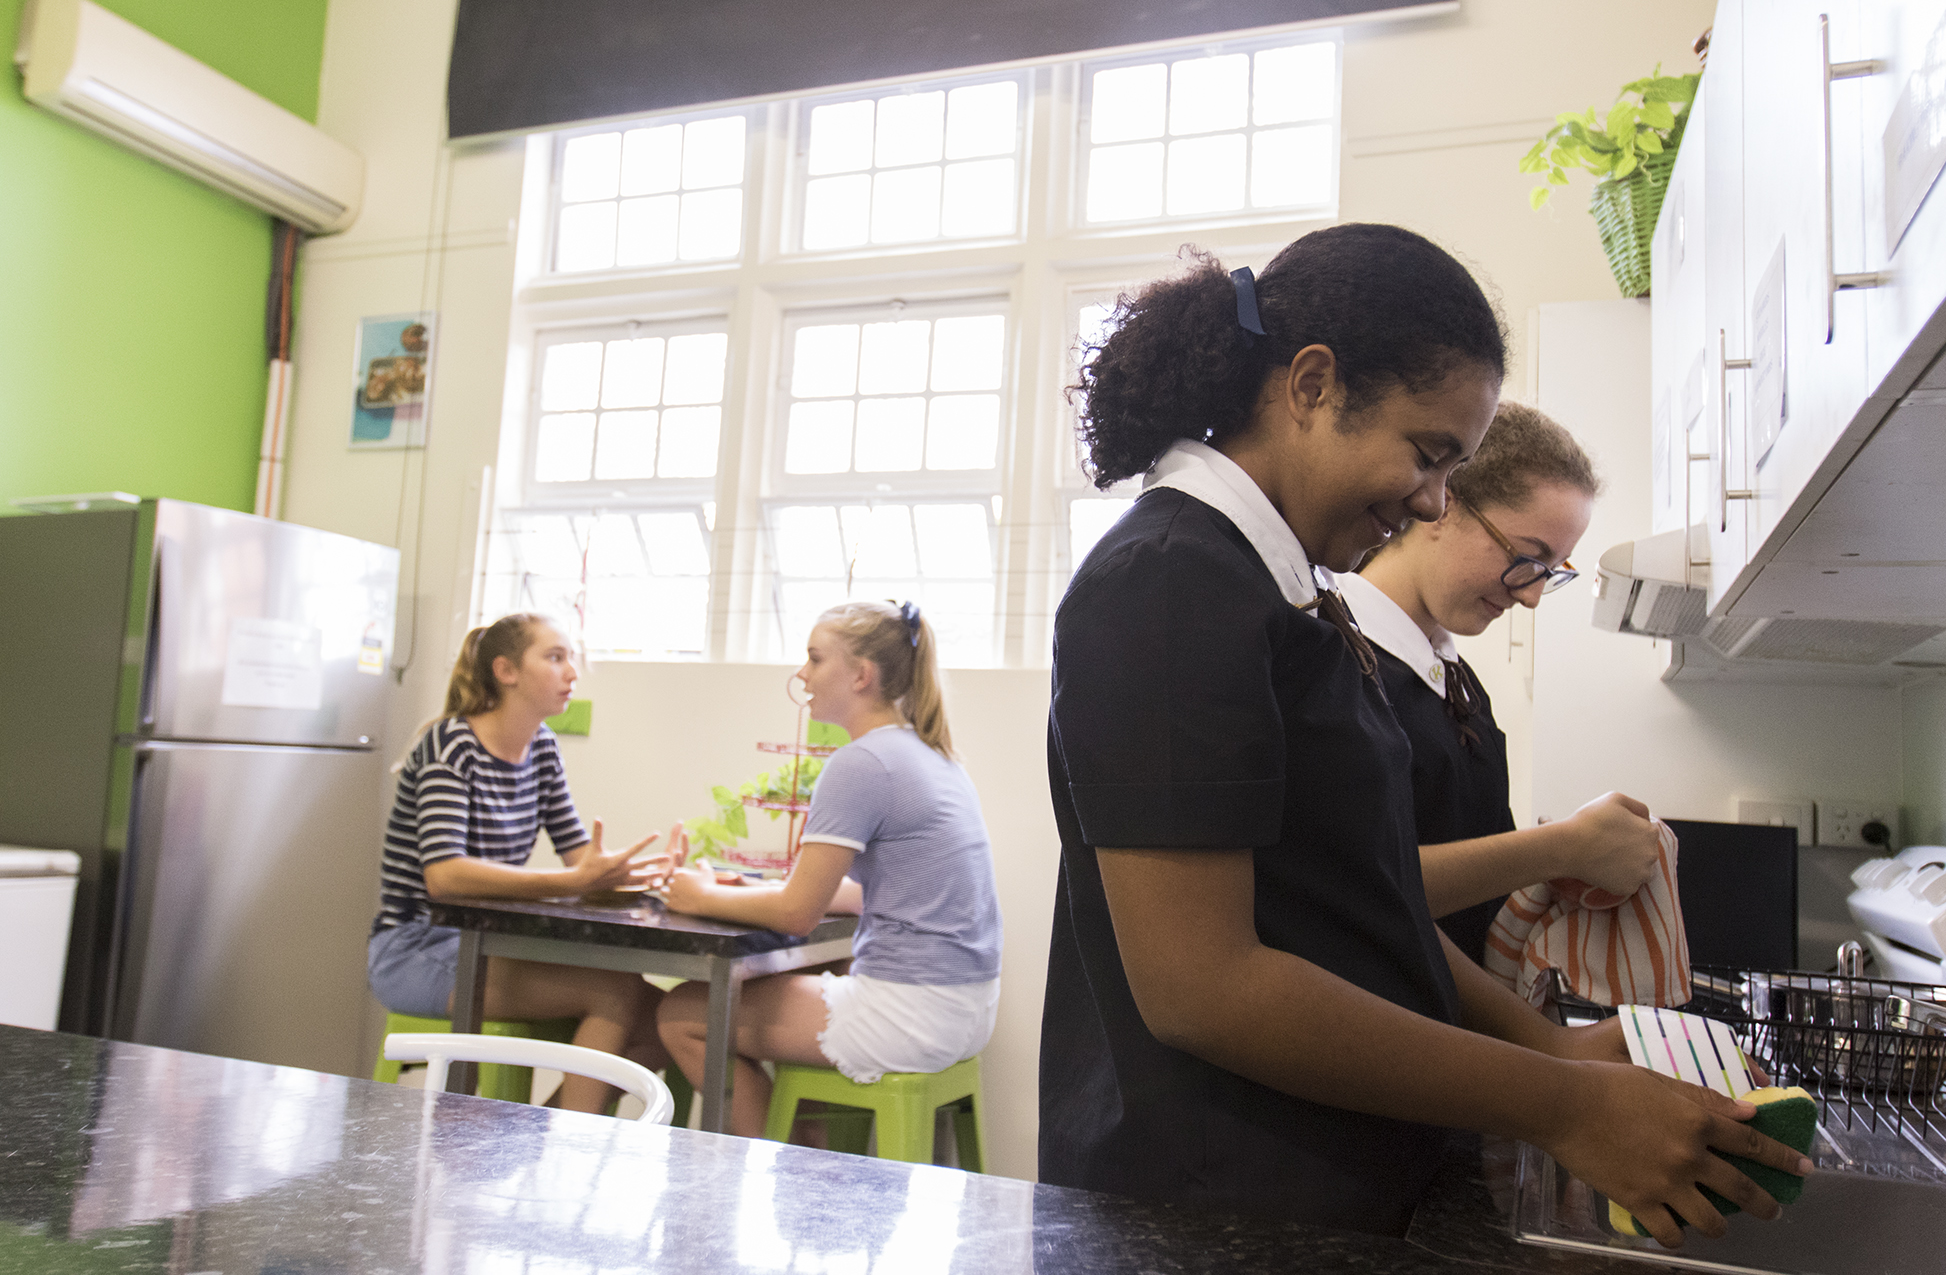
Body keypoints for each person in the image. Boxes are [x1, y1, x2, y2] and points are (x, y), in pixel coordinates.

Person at [1040, 225, 1808, 1243]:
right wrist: (1562, 1105)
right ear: (1310, 386)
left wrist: (1551, 1051)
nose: (1431, 500)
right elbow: (1202, 988)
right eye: (1427, 452)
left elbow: (1361, 903)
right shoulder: (1170, 581)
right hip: (1212, 1207)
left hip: (1335, 1183)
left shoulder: (1288, 594)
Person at [655, 600, 1003, 1137]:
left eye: (815, 659)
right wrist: (755, 887)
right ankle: (812, 1159)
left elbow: (796, 913)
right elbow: (875, 894)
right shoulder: (931, 755)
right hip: (966, 1009)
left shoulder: (861, 763)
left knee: (681, 1014)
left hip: (909, 1012)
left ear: (861, 676)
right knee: (793, 989)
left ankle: (785, 1178)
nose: (802, 673)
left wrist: (698, 896)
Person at [1337, 401, 1660, 962]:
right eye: (1526, 559)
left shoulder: (1460, 686)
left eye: (1550, 573)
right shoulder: (1338, 668)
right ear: (1444, 505)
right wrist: (1565, 848)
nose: (1531, 594)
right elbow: (1356, 886)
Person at [367, 612, 668, 1114]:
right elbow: (445, 876)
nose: (572, 672)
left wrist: (652, 880)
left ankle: (537, 1138)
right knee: (614, 992)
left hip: (486, 944)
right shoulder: (450, 747)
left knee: (666, 1017)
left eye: (570, 658)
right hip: (415, 948)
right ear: (506, 671)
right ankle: (570, 1153)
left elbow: (580, 858)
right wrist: (573, 880)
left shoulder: (542, 747)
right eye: (555, 658)